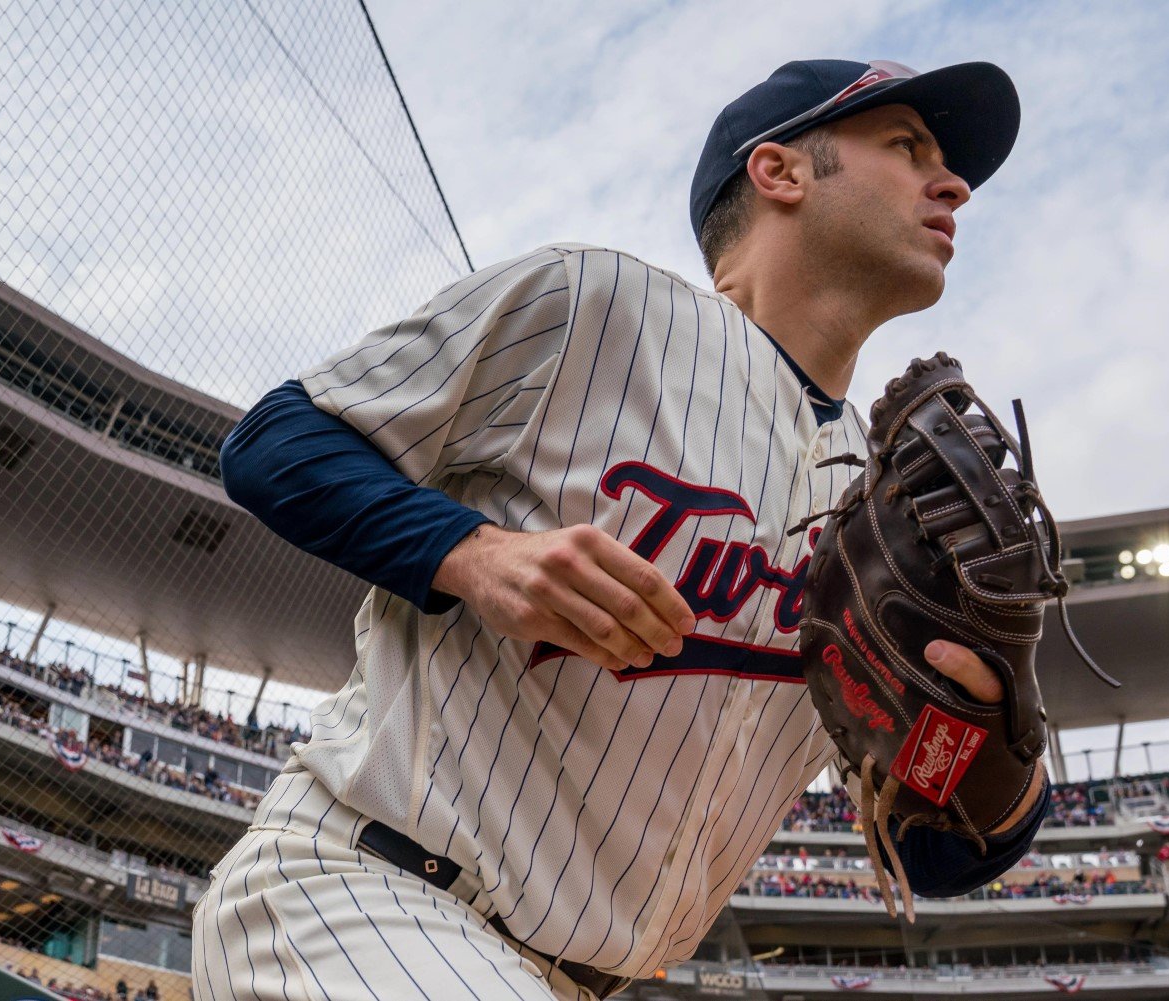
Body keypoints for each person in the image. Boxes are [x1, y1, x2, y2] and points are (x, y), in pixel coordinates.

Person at [192, 58, 1050, 1000]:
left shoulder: (892, 509)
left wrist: (998, 720)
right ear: (781, 173)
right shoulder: (593, 303)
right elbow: (277, 442)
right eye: (907, 145)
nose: (954, 182)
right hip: (360, 894)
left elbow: (932, 854)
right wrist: (474, 555)